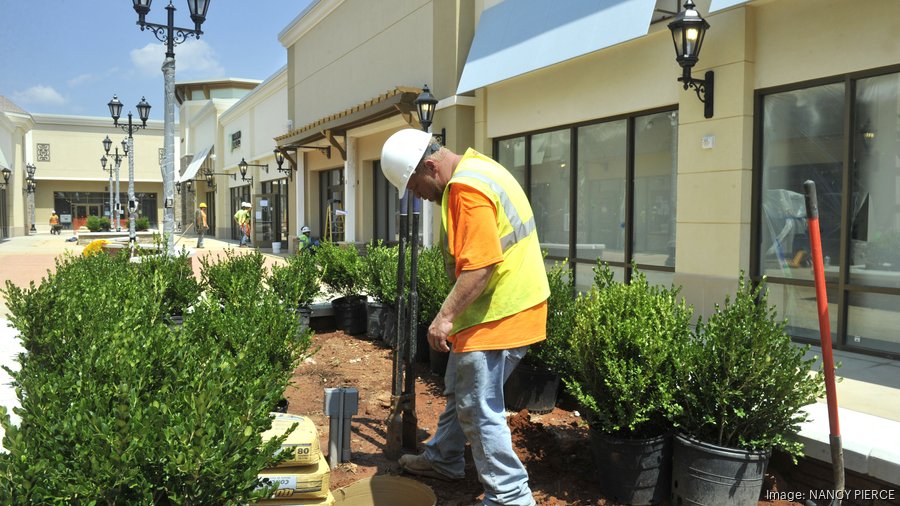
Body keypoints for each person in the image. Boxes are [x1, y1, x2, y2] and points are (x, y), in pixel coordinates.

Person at [380, 129, 549, 506]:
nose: (418, 195)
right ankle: (444, 457)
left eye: (415, 186)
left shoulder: (466, 189)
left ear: (430, 166)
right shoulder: (478, 168)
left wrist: (444, 317)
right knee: (462, 385)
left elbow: (480, 265)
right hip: (503, 307)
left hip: (499, 313)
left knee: (478, 406)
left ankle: (510, 496)